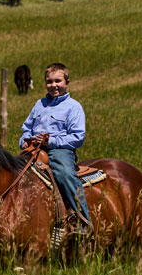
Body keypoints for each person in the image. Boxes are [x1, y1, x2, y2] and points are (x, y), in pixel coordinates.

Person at [19, 62, 91, 235]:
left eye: (58, 81)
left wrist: (50, 140)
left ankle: (82, 220)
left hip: (60, 150)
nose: (54, 85)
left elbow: (77, 137)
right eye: (49, 82)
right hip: (33, 149)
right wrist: (24, 140)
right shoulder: (39, 104)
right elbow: (27, 127)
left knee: (63, 173)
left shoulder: (73, 107)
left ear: (67, 82)